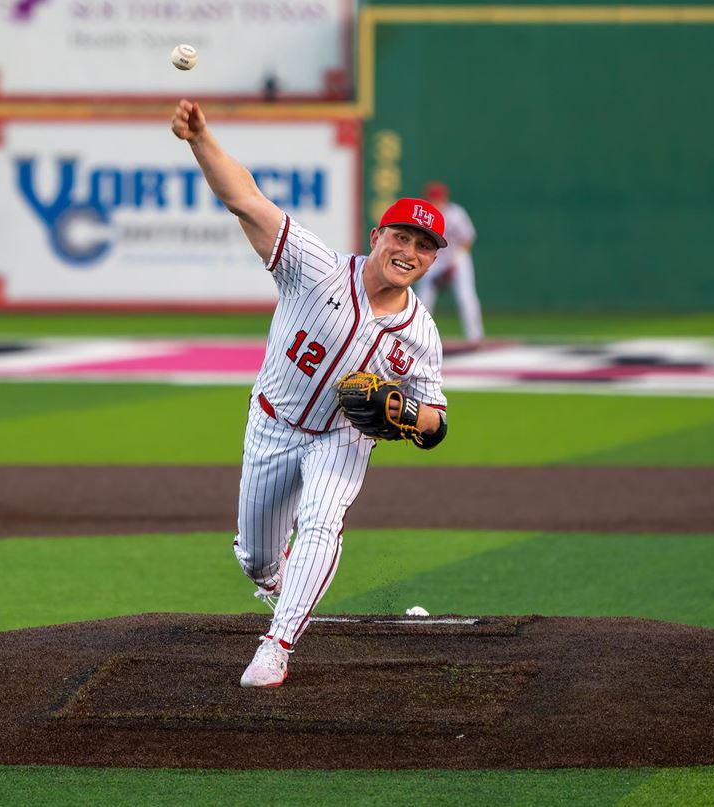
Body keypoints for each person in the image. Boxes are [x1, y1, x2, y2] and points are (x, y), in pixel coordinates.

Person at [171, 100, 448, 688]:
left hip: (342, 438)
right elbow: (245, 198)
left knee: (323, 520)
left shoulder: (422, 334)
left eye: (424, 246)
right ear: (378, 235)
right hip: (272, 422)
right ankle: (279, 584)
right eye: (402, 236)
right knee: (256, 558)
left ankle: (277, 646)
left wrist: (406, 416)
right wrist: (200, 140)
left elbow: (436, 424)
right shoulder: (315, 266)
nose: (410, 252)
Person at [416, 181, 484, 345]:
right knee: (423, 297)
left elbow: (467, 239)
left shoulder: (456, 214)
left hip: (458, 257)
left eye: (437, 199)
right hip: (435, 259)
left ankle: (475, 337)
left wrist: (455, 262)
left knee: (466, 296)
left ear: (444, 198)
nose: (434, 202)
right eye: (431, 199)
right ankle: (419, 337)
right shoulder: (424, 215)